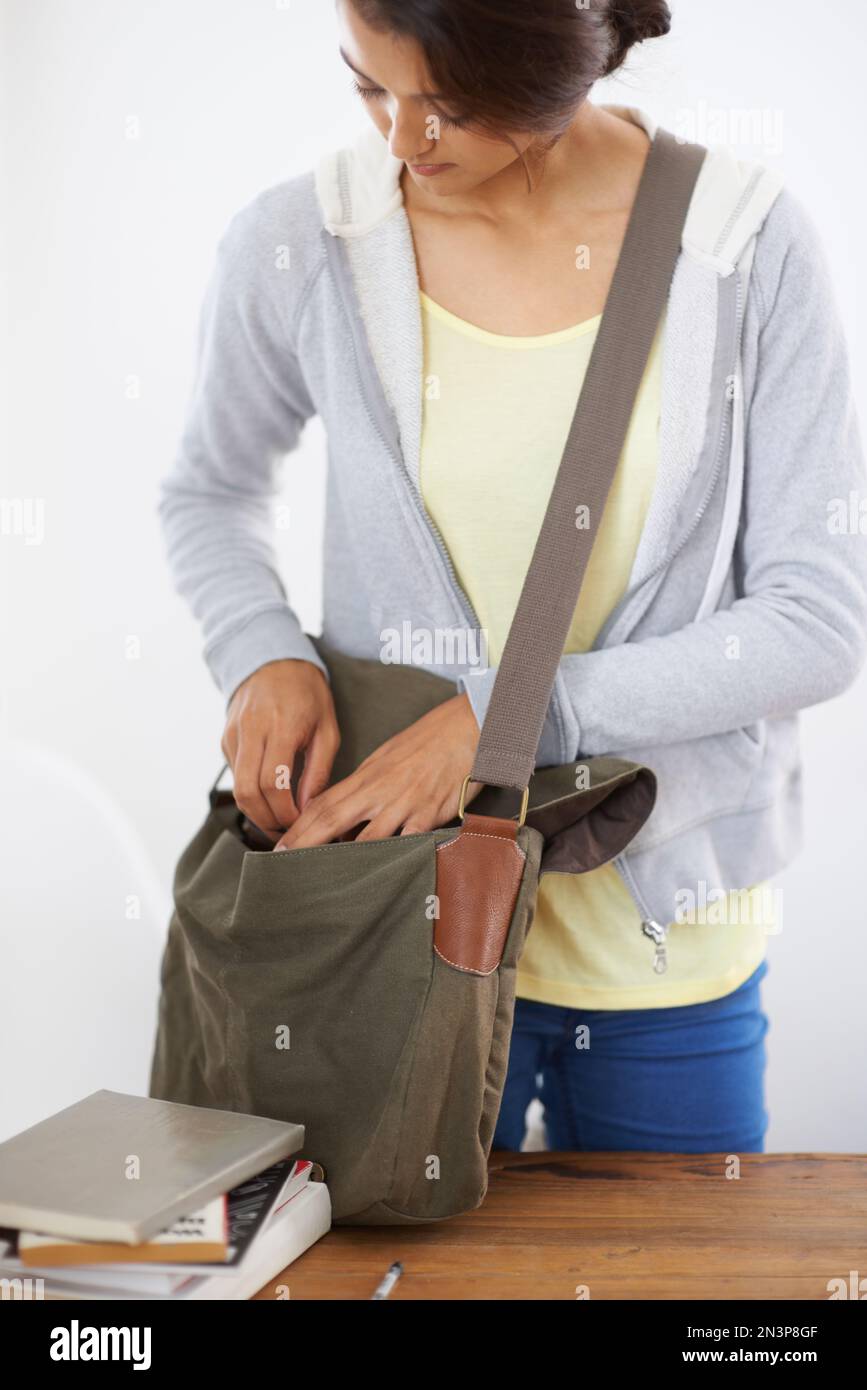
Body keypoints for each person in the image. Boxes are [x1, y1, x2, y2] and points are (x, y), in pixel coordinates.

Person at [158, 0, 867, 1152]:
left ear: (558, 63)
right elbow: (209, 489)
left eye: (448, 104)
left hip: (660, 955)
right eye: (370, 87)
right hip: (389, 936)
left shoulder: (744, 248)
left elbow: (816, 619)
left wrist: (506, 719)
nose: (402, 138)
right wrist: (261, 651)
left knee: (691, 1272)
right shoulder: (307, 241)